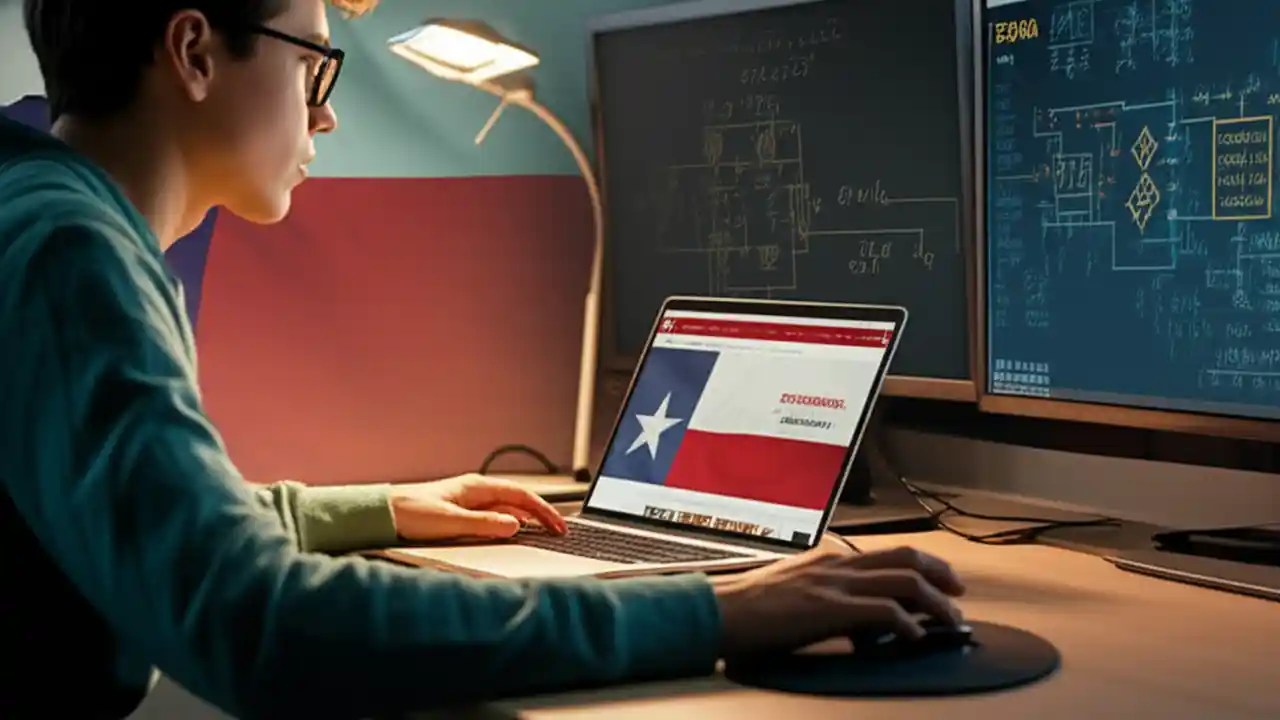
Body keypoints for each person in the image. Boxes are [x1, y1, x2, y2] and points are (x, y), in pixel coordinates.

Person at [0, 1, 967, 718]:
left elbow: (134, 514)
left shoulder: (37, 214)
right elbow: (256, 623)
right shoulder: (69, 254)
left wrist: (380, 508)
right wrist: (715, 618)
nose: (325, 117)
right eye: (314, 68)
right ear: (196, 52)